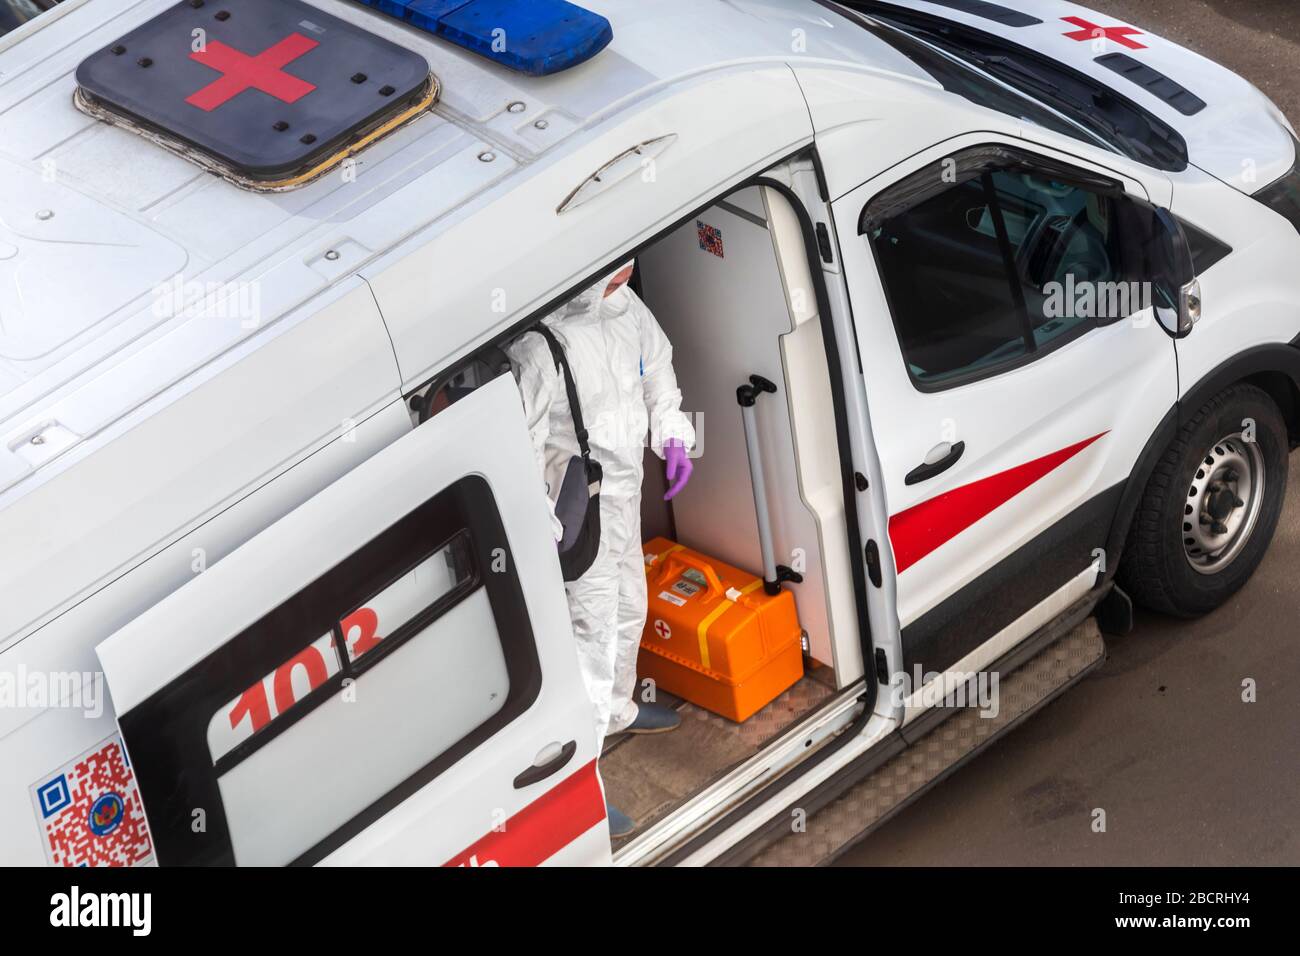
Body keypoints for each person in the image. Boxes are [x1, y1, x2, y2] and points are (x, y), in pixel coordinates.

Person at [506, 261, 695, 836]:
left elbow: (657, 368)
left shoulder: (626, 307)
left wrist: (673, 432)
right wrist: (544, 524)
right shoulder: (542, 347)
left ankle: (619, 709)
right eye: (613, 273)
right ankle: (581, 793)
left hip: (623, 495)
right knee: (589, 639)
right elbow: (520, 441)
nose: (626, 275)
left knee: (630, 608)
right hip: (579, 510)